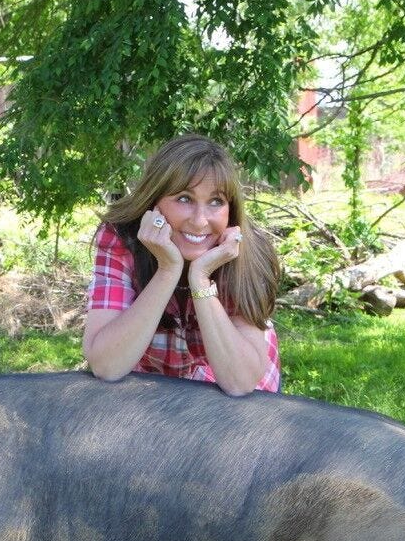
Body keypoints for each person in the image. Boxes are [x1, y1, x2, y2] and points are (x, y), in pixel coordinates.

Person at [83, 134, 281, 395]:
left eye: (215, 201)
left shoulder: (246, 251)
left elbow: (239, 382)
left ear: (230, 208)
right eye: (185, 199)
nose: (200, 221)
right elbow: (107, 365)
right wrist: (167, 270)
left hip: (228, 385)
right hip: (150, 379)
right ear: (154, 200)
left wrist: (200, 279)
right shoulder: (122, 239)